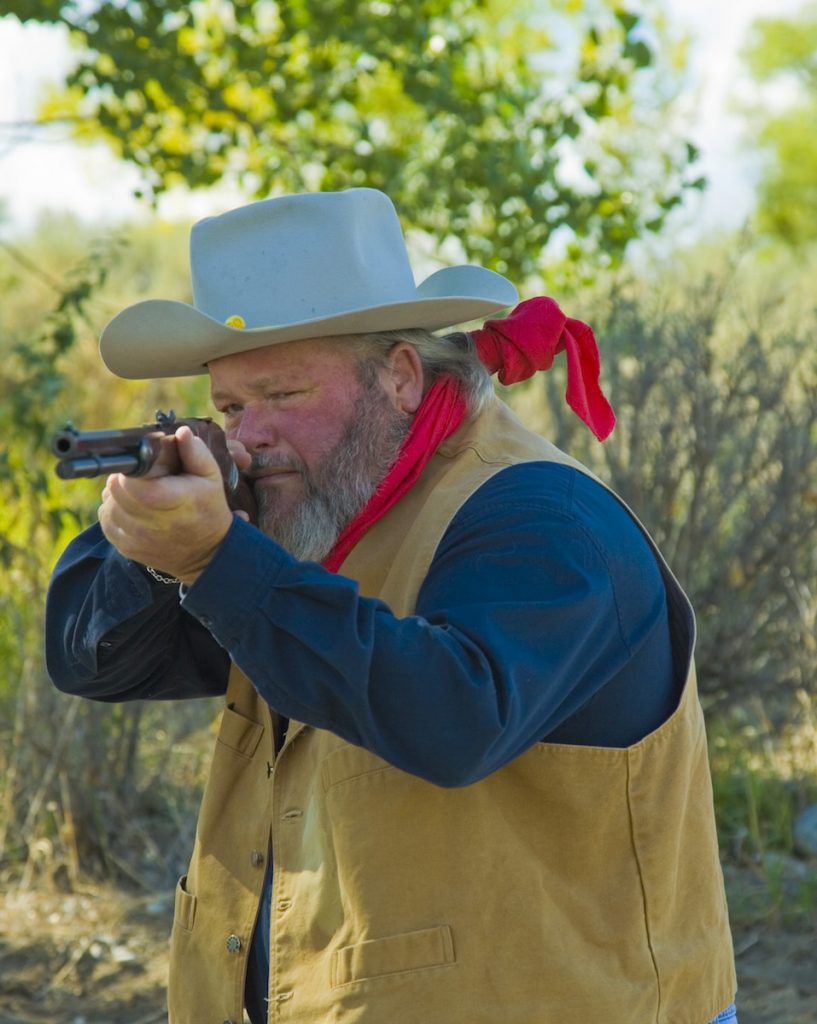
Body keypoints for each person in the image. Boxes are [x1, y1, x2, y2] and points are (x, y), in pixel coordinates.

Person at [46, 188, 738, 1024]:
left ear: (402, 376)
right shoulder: (315, 508)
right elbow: (96, 662)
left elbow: (450, 720)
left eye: (284, 395)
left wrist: (217, 557)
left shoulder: (542, 517)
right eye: (230, 408)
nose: (249, 435)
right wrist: (156, 553)